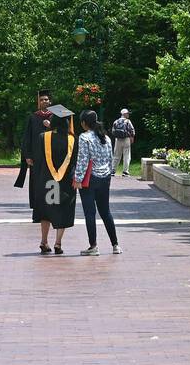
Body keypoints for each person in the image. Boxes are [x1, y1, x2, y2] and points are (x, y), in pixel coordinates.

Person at [16, 89, 77, 254]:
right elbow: (26, 138)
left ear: (50, 102)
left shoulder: (48, 129)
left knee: (46, 204)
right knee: (61, 206)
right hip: (53, 172)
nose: (44, 102)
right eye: (41, 99)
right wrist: (27, 155)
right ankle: (56, 243)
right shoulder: (34, 117)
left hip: (46, 172)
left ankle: (45, 241)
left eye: (46, 99)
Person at [74, 109, 121, 256]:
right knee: (105, 212)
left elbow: (82, 160)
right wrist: (107, 174)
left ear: (83, 123)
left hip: (90, 178)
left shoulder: (84, 137)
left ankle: (93, 246)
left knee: (90, 213)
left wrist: (77, 179)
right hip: (105, 177)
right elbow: (110, 158)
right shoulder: (106, 137)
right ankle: (115, 245)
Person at [110, 107, 136, 178]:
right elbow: (132, 130)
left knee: (116, 155)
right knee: (126, 155)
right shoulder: (127, 121)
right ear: (124, 114)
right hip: (126, 139)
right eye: (127, 113)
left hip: (118, 140)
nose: (128, 115)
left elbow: (113, 131)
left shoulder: (116, 121)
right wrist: (132, 137)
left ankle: (113, 170)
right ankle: (125, 171)